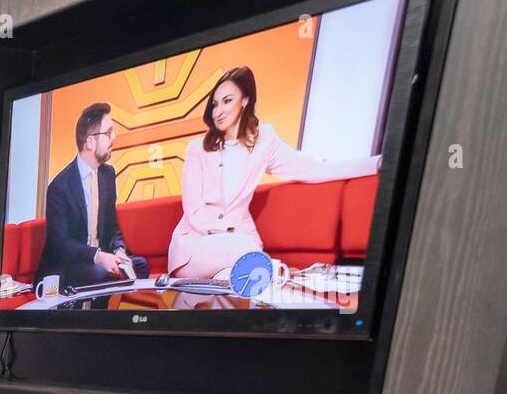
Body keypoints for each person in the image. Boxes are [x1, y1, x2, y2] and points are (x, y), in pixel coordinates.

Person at [168, 65, 381, 281]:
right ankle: (273, 270)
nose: (218, 111)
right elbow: (194, 212)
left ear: (245, 100)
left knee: (235, 285)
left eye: (227, 101)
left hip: (237, 253)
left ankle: (266, 281)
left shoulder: (264, 141)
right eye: (215, 104)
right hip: (195, 249)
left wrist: (377, 163)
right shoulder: (197, 148)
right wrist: (233, 234)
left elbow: (313, 168)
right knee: (243, 250)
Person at [34, 101, 148, 303]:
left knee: (140, 265)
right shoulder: (59, 187)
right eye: (109, 132)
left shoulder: (107, 174)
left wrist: (119, 251)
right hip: (69, 264)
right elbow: (60, 244)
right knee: (99, 274)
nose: (114, 138)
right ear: (90, 142)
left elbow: (112, 228)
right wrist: (98, 256)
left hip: (100, 260)